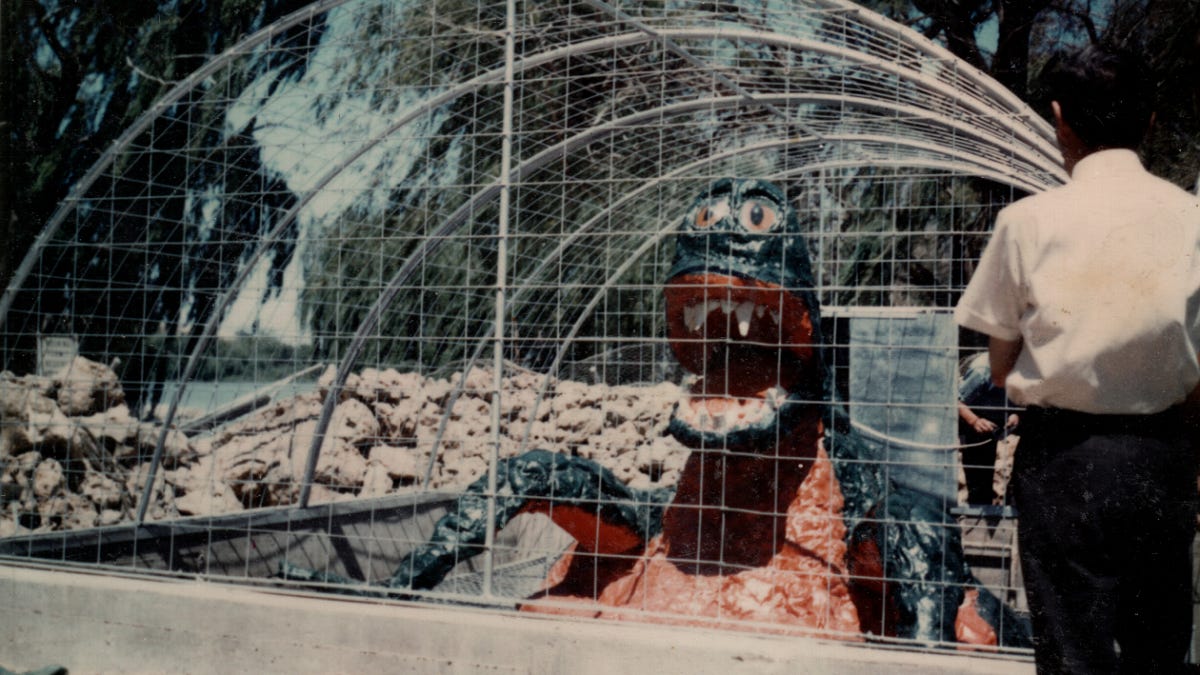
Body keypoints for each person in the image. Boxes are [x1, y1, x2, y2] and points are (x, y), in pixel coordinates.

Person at [954, 44, 1200, 674]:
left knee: (1071, 649)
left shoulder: (1026, 222)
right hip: (1162, 455)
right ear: (1150, 120)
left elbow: (1000, 366)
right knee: (1158, 649)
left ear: (1059, 118)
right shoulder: (1192, 218)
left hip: (1062, 459)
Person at [956, 351, 1018, 506]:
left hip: (1000, 420)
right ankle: (976, 509)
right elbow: (956, 401)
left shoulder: (1025, 369)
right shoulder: (982, 370)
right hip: (974, 417)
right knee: (977, 474)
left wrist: (1015, 413)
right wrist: (974, 421)